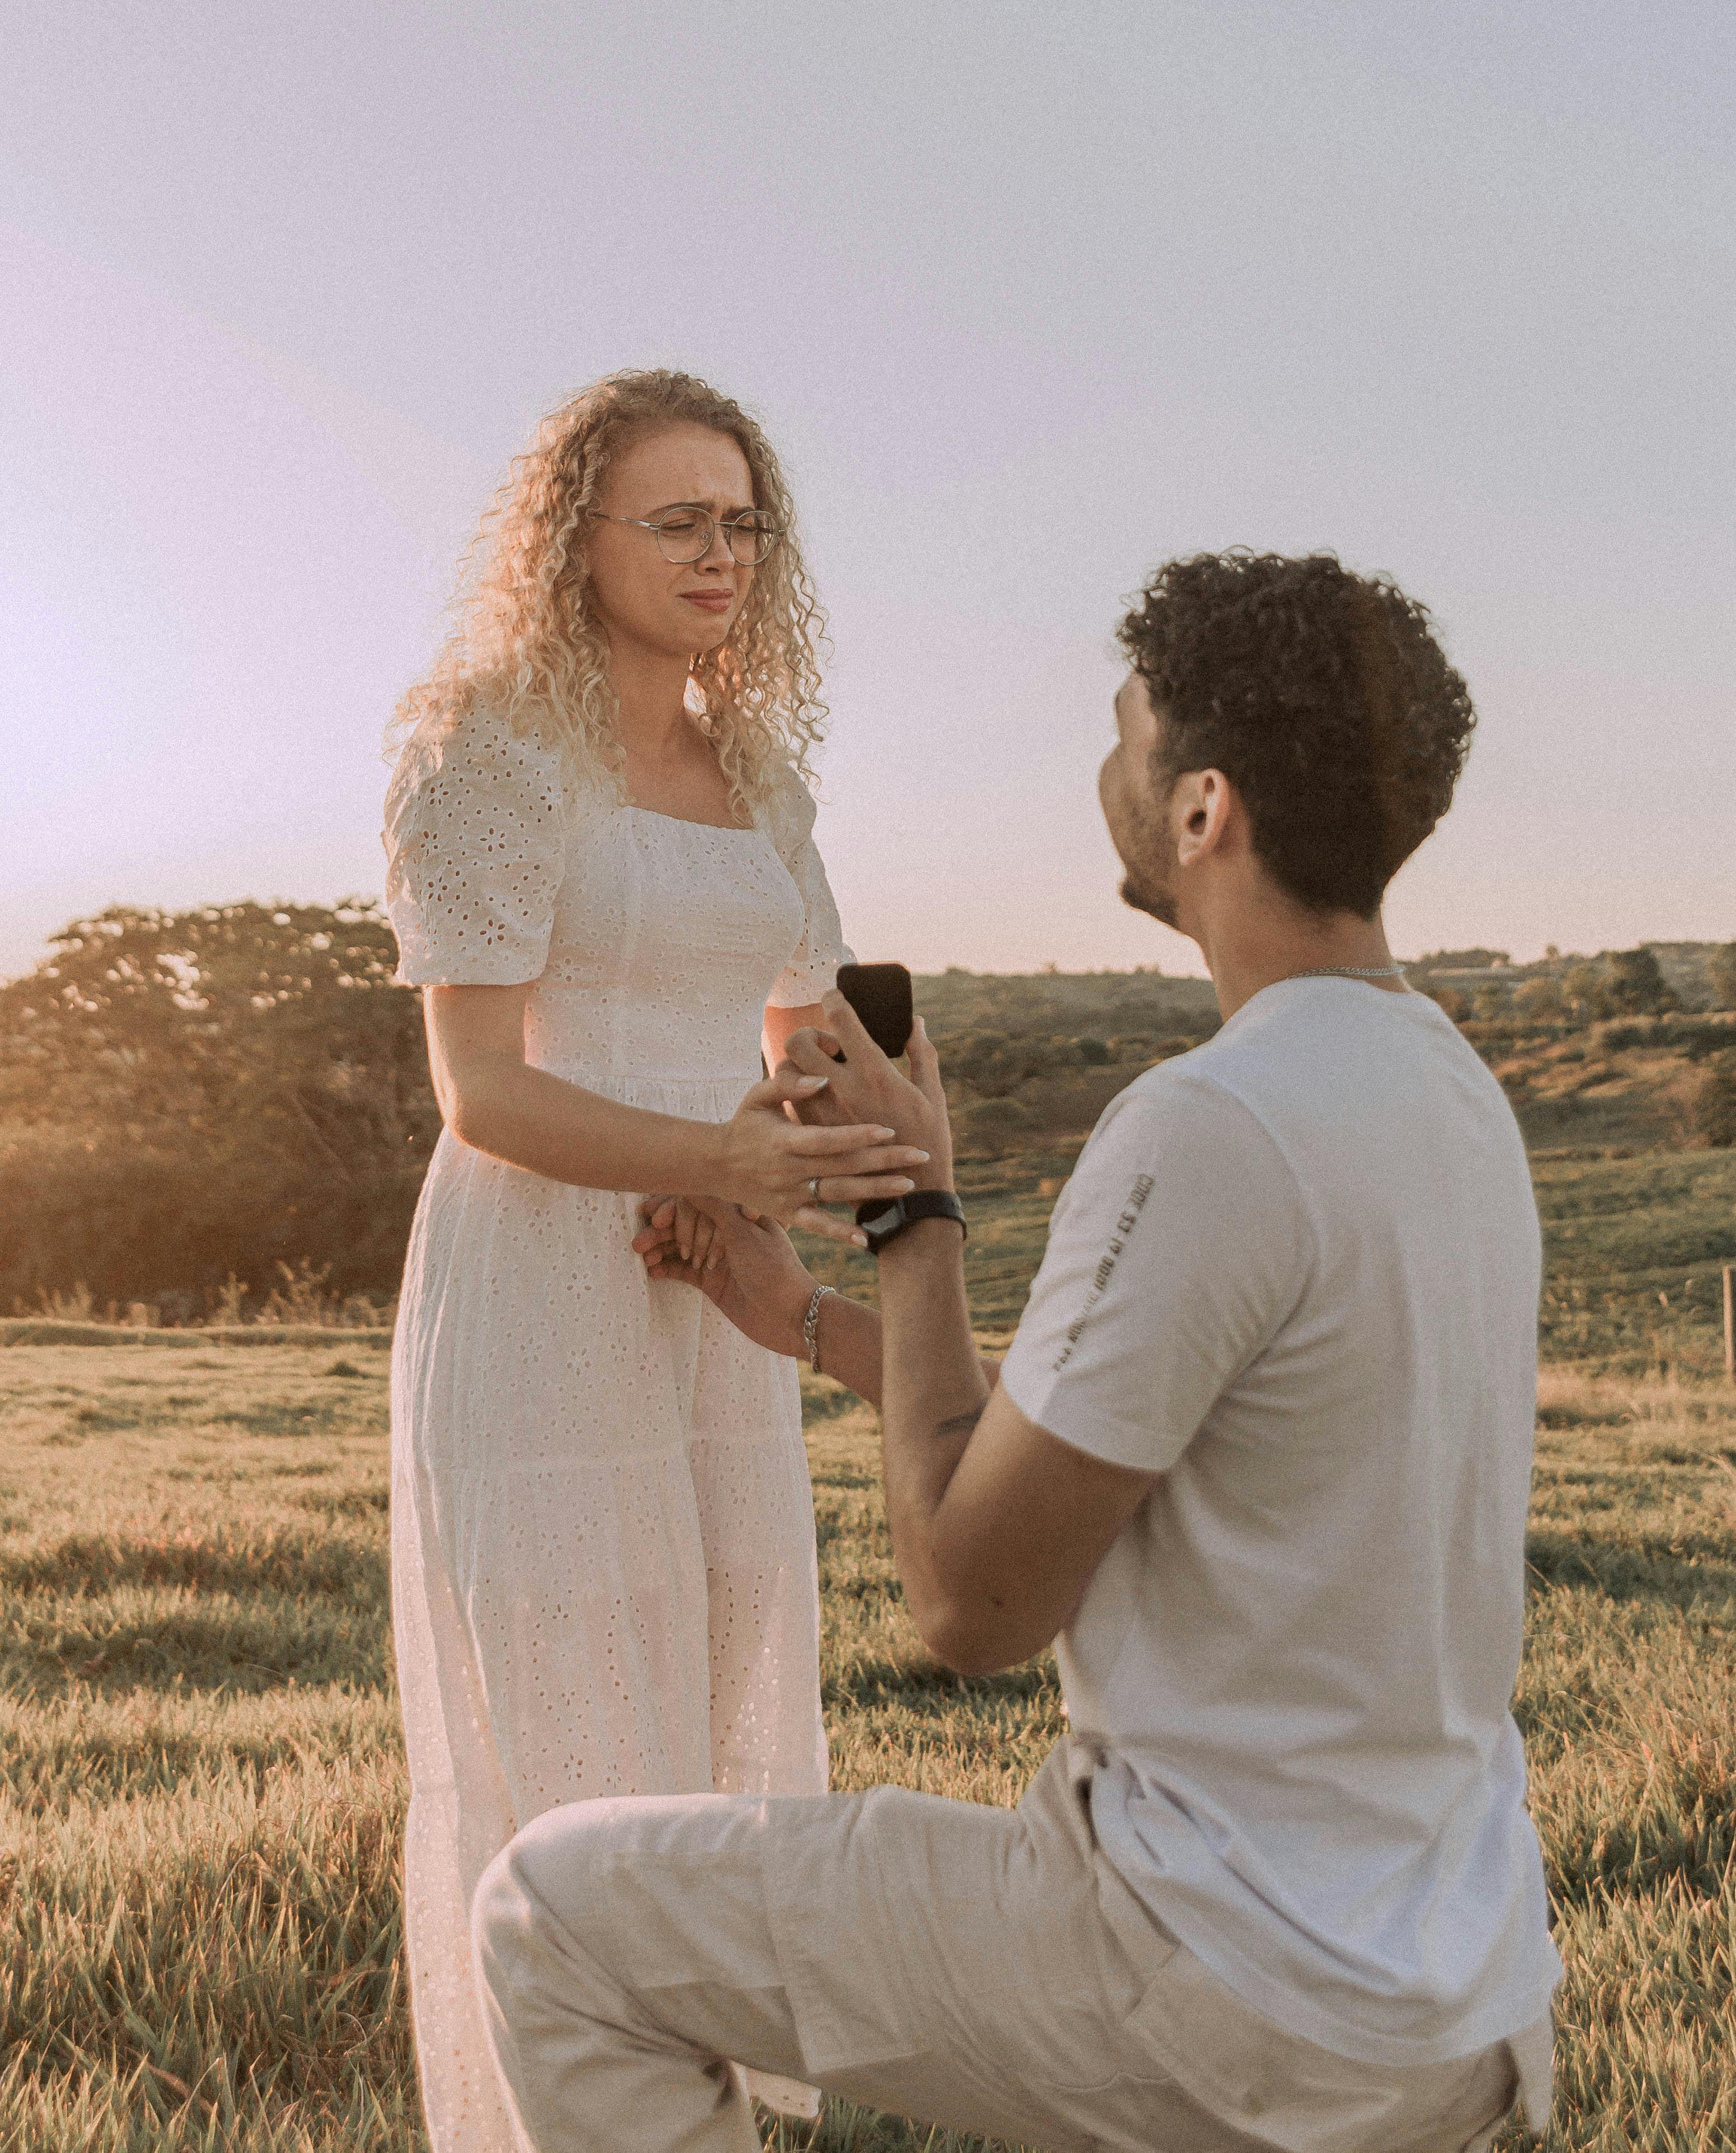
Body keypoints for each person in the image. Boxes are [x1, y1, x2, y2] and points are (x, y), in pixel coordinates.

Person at [469, 549, 1562, 2153]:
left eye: (1125, 734)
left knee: (550, 1914)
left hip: (1223, 1980)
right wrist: (813, 1325)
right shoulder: (1448, 1090)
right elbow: (1136, 1452)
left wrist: (918, 1214)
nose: (1100, 769)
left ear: (1201, 809)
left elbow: (969, 1597)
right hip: (1461, 1987)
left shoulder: (1209, 1125)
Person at [380, 368, 929, 2150]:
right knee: (566, 1720)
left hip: (715, 1289)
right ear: (577, 539)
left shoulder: (754, 764)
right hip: (539, 1280)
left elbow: (803, 1021)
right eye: (678, 520)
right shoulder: (491, 745)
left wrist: (865, 1108)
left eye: (745, 521)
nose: (722, 554)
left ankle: (707, 2116)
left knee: (723, 1665)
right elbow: (480, 1089)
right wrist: (719, 1154)